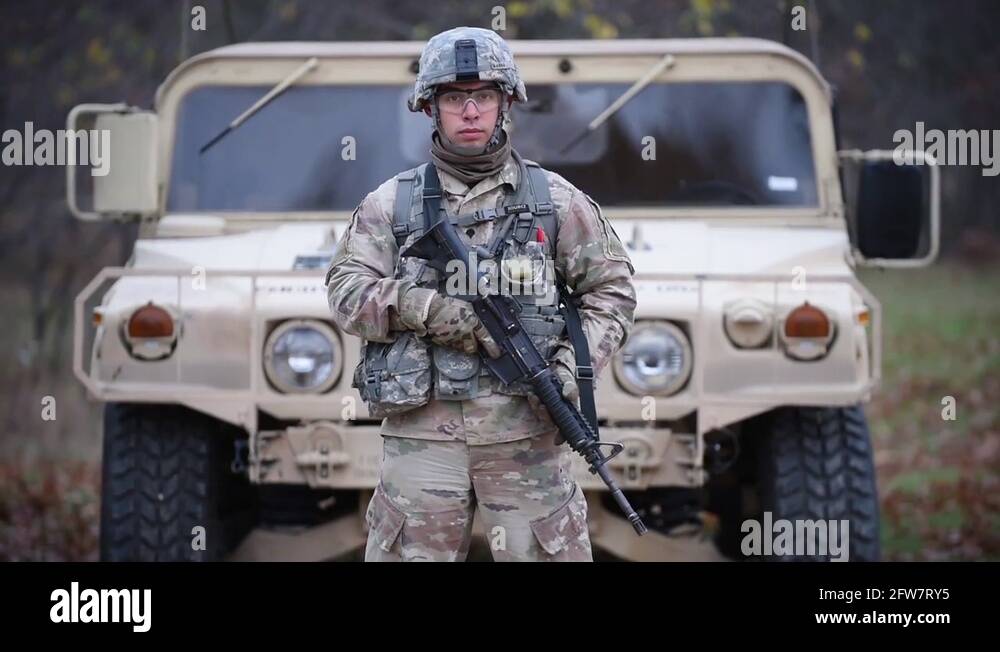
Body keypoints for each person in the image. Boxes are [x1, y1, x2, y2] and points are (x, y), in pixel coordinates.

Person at [325, 26, 636, 562]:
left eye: (484, 97)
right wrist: (429, 309)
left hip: (527, 436)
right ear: (430, 107)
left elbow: (611, 292)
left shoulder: (555, 202)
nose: (470, 111)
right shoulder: (391, 205)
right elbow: (346, 290)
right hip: (424, 438)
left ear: (506, 104)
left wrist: (569, 368)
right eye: (453, 98)